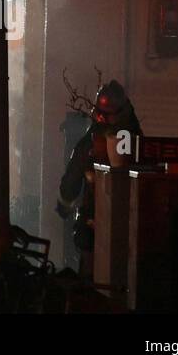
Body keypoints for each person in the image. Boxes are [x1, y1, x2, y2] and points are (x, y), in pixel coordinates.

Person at [56, 79, 143, 275]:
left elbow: (72, 177)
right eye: (99, 113)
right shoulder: (136, 137)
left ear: (118, 113)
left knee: (92, 278)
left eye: (106, 114)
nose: (101, 119)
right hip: (127, 228)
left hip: (99, 225)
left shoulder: (95, 142)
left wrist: (64, 205)